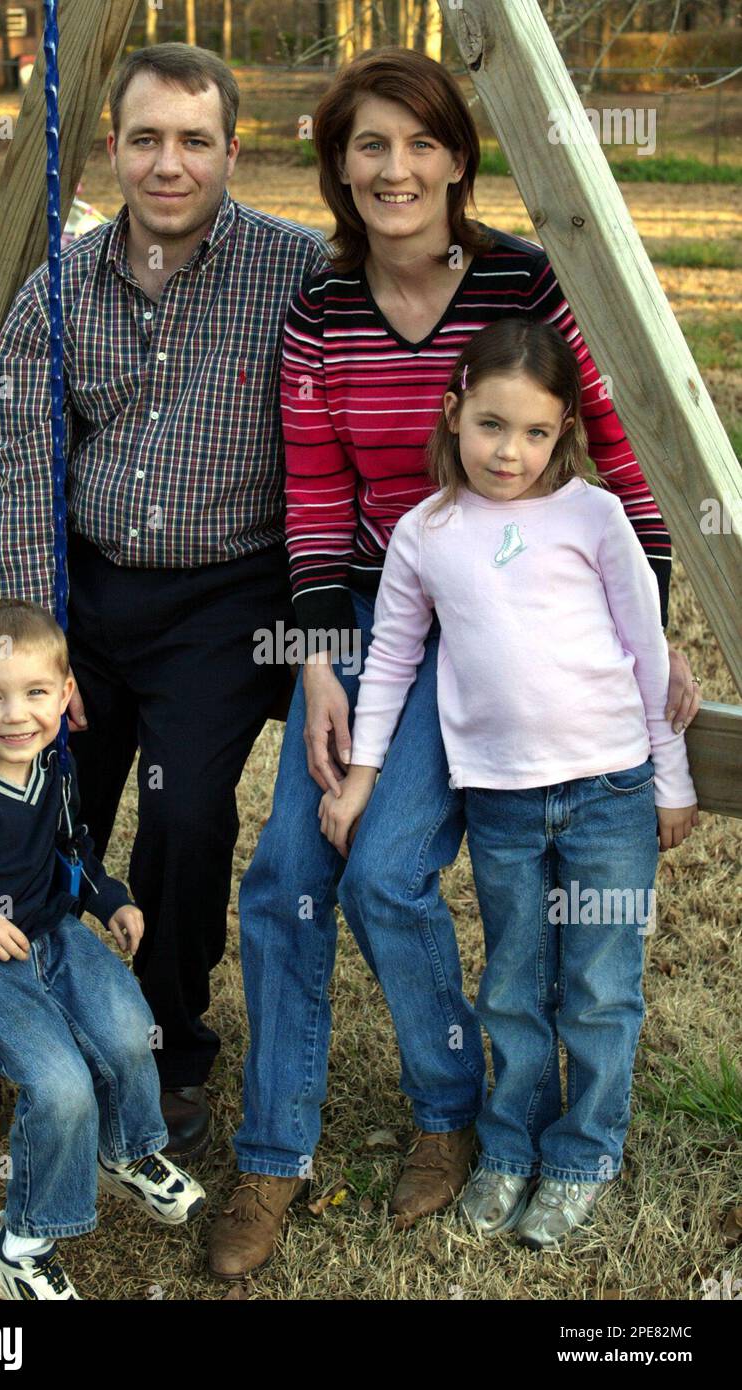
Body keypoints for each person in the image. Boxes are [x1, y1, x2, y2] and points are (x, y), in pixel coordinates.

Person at [208, 47, 701, 1280]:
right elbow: (317, 500)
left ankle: (451, 1109)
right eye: (368, 145)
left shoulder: (522, 283)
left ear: (460, 158)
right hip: (381, 608)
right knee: (283, 870)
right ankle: (273, 1154)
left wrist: (653, 609)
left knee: (383, 872)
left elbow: (607, 444)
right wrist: (318, 663)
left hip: (502, 614)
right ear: (335, 164)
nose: (396, 168)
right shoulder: (318, 316)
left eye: (421, 142)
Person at [0, 42, 329, 1199]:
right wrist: (43, 651)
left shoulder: (299, 272)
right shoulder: (58, 286)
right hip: (82, 588)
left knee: (182, 817)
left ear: (233, 147)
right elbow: (24, 466)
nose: (167, 163)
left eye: (192, 139)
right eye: (144, 139)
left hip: (228, 601)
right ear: (111, 149)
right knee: (18, 802)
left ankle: (167, 1043)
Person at [317, 317, 698, 1249]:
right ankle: (507, 1147)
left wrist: (670, 778)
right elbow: (396, 656)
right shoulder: (425, 533)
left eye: (533, 432)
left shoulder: (593, 516)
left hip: (610, 789)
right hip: (500, 800)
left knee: (601, 985)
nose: (509, 451)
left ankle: (580, 1158)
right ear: (454, 416)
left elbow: (645, 651)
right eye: (490, 426)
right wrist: (362, 777)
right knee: (516, 986)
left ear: (563, 425)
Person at [0, 601, 205, 1298]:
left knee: (126, 1030)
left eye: (35, 694)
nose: (17, 715)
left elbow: (71, 844)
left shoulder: (53, 767)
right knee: (59, 1086)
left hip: (52, 930)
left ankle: (126, 1153)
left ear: (64, 694)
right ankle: (20, 1243)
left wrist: (108, 896)